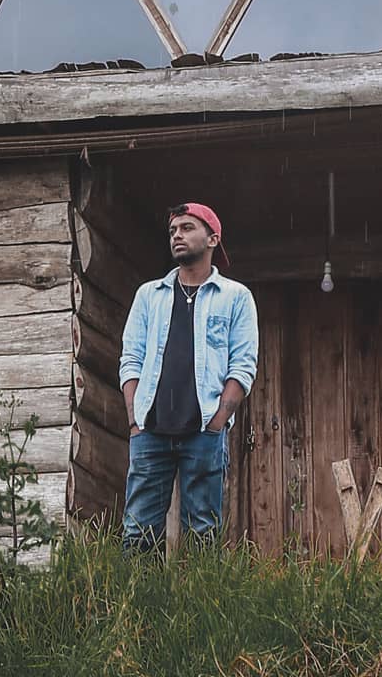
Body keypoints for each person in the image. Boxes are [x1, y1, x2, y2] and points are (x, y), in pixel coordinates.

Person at [117, 202, 258, 552]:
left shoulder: (235, 297)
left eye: (187, 228)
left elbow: (243, 365)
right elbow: (131, 359)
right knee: (138, 535)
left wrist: (217, 421)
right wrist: (135, 420)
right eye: (172, 230)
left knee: (202, 534)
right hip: (150, 432)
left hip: (203, 433)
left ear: (213, 239)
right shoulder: (149, 296)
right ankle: (138, 607)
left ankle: (196, 608)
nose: (177, 235)